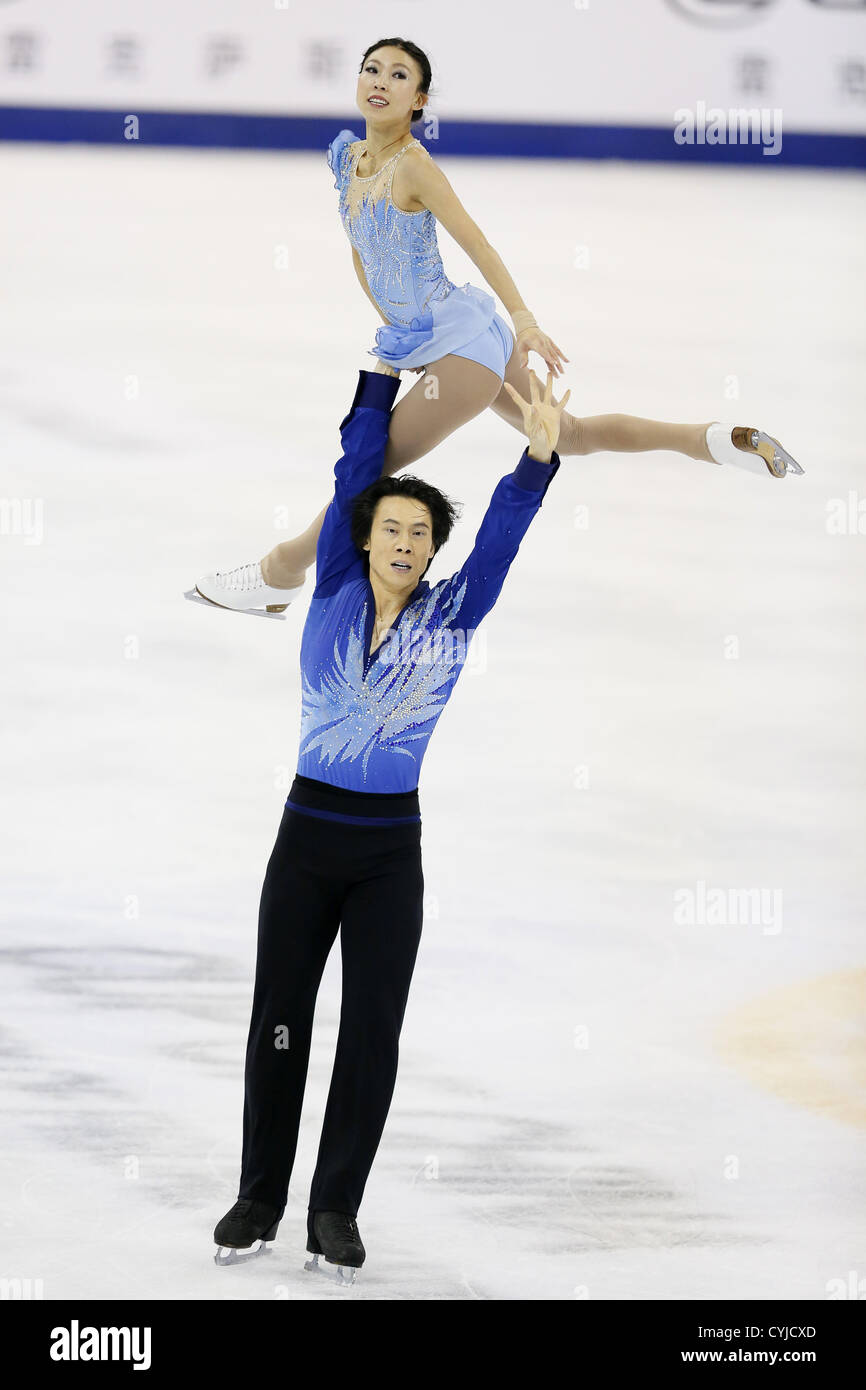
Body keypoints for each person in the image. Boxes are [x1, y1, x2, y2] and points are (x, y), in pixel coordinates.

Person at [194, 35, 801, 616]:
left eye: (399, 76)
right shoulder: (346, 155)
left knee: (368, 471)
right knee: (571, 435)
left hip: (464, 347)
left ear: (420, 100)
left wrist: (526, 320)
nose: (381, 83)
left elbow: (477, 242)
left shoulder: (415, 167)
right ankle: (716, 440)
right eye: (372, 69)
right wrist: (399, 335)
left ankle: (280, 572)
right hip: (433, 339)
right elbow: (361, 248)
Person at [213, 362, 570, 1281]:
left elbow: (500, 540)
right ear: (366, 537)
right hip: (305, 841)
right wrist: (376, 382)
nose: (404, 541)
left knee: (371, 1030)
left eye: (420, 533)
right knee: (280, 1020)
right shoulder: (332, 582)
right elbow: (355, 472)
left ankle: (334, 1208)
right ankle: (259, 1196)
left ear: (431, 549)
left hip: (385, 857)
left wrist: (535, 462)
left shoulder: (453, 614)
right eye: (392, 528)